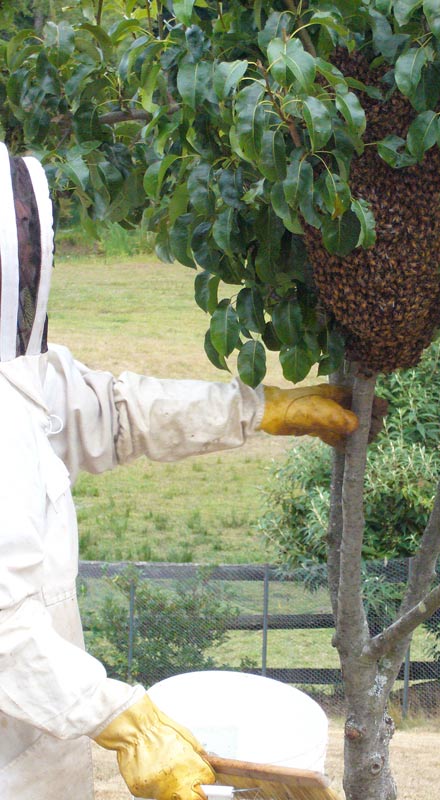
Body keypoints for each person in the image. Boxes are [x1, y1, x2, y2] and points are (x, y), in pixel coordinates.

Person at [0, 143, 361, 800]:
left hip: (39, 757)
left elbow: (117, 412)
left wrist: (261, 411)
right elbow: (4, 635)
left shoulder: (20, 376)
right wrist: (124, 721)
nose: (31, 261)